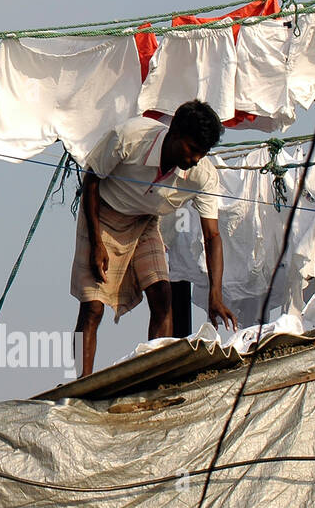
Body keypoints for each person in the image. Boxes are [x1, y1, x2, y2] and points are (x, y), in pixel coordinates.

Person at [71, 99, 238, 377]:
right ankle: (81, 380)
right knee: (93, 307)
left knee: (162, 295)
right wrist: (97, 243)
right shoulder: (130, 137)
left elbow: (212, 235)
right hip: (102, 214)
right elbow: (91, 180)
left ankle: (156, 373)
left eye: (202, 153)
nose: (195, 158)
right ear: (174, 132)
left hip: (145, 222)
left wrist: (215, 293)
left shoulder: (203, 175)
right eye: (192, 149)